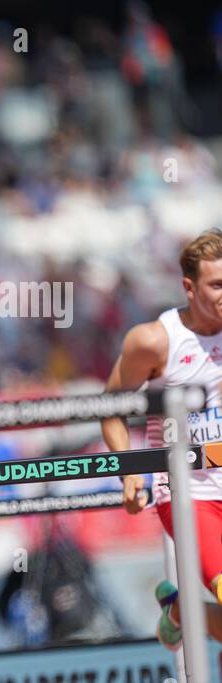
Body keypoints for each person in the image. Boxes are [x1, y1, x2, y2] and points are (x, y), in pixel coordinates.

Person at [102, 228, 222, 649]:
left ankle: (182, 609)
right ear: (189, 287)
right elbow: (110, 411)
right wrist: (129, 474)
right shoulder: (154, 341)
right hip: (190, 493)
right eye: (217, 285)